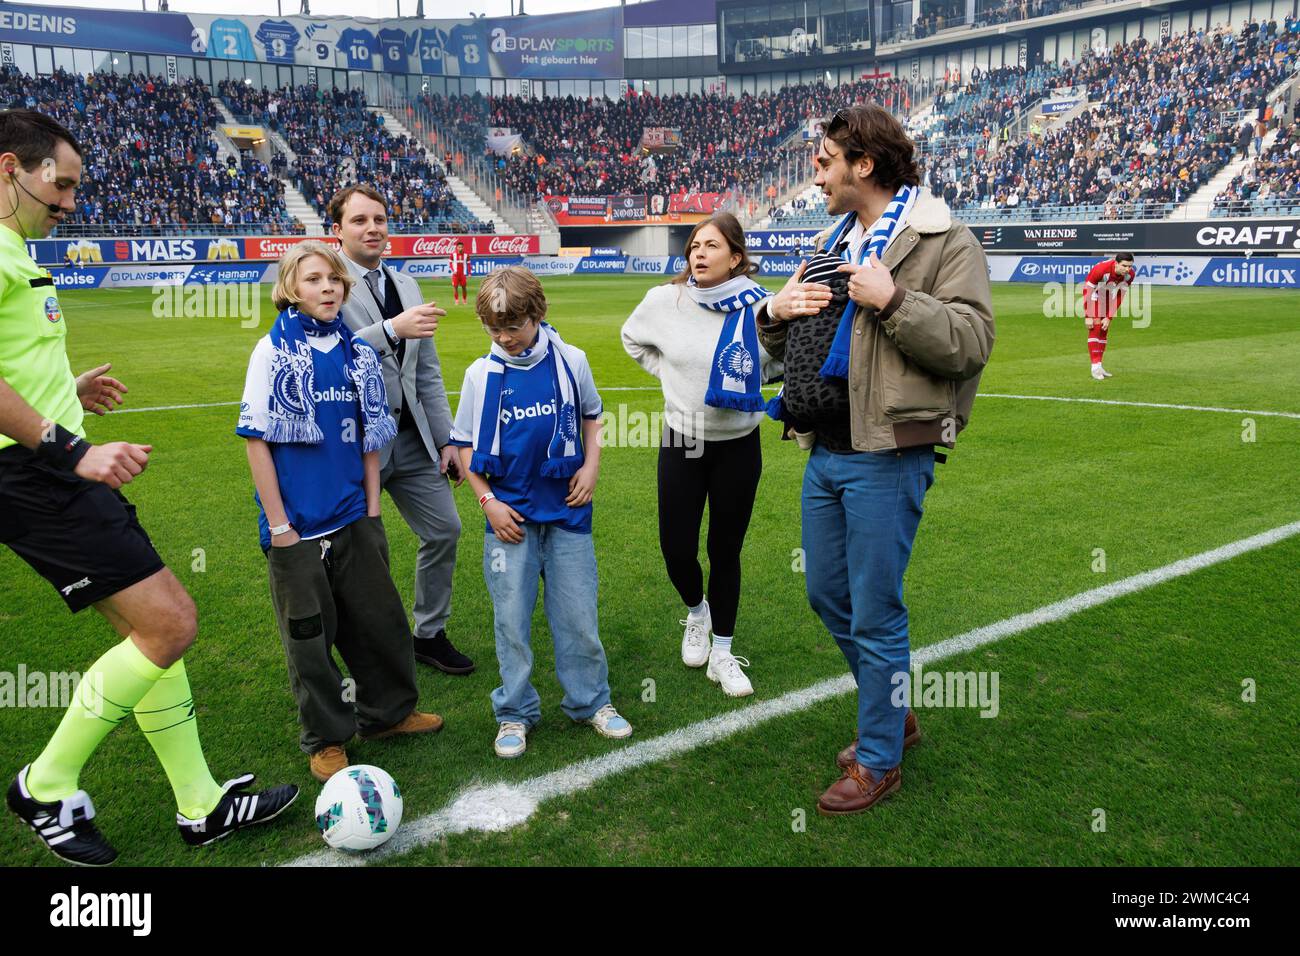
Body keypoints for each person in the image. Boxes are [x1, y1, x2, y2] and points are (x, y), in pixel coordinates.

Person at [0, 109, 297, 866]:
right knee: (170, 624)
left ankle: (199, 804)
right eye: (57, 185)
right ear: (10, 169)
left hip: (46, 466)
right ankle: (46, 783)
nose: (67, 203)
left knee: (150, 632)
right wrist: (69, 448)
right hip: (37, 476)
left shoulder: (13, 249)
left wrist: (65, 388)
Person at [756, 104, 994, 816]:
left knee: (877, 611)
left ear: (864, 164)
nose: (816, 172)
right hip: (823, 446)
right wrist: (775, 315)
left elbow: (971, 340)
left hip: (888, 450)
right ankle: (894, 716)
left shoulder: (943, 238)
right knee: (827, 595)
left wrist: (894, 300)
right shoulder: (828, 242)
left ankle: (881, 759)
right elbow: (785, 356)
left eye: (826, 159)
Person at [237, 240, 444, 782]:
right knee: (309, 642)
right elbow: (257, 440)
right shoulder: (272, 352)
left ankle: (389, 714)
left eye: (332, 278)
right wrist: (280, 527)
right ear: (290, 289)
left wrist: (373, 509)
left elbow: (372, 434)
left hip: (356, 517)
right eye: (312, 279)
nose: (327, 287)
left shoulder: (354, 349)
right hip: (298, 531)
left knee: (381, 625)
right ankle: (327, 738)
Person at [449, 267, 632, 758]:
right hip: (509, 521)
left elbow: (592, 416)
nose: (505, 338)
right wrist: (488, 503)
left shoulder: (572, 361)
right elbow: (465, 447)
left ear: (539, 314)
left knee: (578, 616)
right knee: (511, 621)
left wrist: (591, 466)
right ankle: (514, 712)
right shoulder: (479, 375)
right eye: (494, 330)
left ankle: (591, 701)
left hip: (568, 514)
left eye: (514, 327)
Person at [620, 213, 781, 697]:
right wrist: (668, 374)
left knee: (725, 550)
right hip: (682, 441)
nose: (699, 254)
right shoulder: (663, 301)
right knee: (676, 548)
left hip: (738, 446)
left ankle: (724, 652)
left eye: (711, 246)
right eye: (694, 245)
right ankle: (696, 612)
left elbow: (781, 362)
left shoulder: (762, 307)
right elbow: (632, 339)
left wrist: (755, 385)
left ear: (736, 258)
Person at [330, 185, 474, 675]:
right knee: (363, 555)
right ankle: (367, 650)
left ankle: (428, 635)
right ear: (338, 231)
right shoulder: (323, 281)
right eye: (359, 220)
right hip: (354, 443)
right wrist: (392, 329)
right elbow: (329, 354)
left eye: (380, 218)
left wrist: (446, 438)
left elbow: (425, 371)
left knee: (445, 530)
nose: (373, 228)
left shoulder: (407, 284)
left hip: (411, 437)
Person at [1081, 251, 1134, 380]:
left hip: (1107, 295)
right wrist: (1088, 315)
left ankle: (1099, 365)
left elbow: (1121, 295)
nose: (1127, 269)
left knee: (1104, 329)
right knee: (1096, 327)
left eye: (1130, 266)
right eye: (1124, 266)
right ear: (1116, 264)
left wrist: (1109, 317)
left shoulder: (1130, 275)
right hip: (1093, 294)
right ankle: (1094, 367)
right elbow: (1087, 289)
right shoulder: (1101, 269)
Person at [451, 238, 471, 305]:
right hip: (455, 274)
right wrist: (453, 270)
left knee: (464, 287)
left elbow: (468, 264)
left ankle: (464, 300)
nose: (460, 248)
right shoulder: (453, 255)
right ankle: (456, 300)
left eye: (461, 247)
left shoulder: (466, 255)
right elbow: (450, 263)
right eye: (459, 247)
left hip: (463, 274)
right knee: (455, 287)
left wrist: (469, 273)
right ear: (457, 247)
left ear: (463, 247)